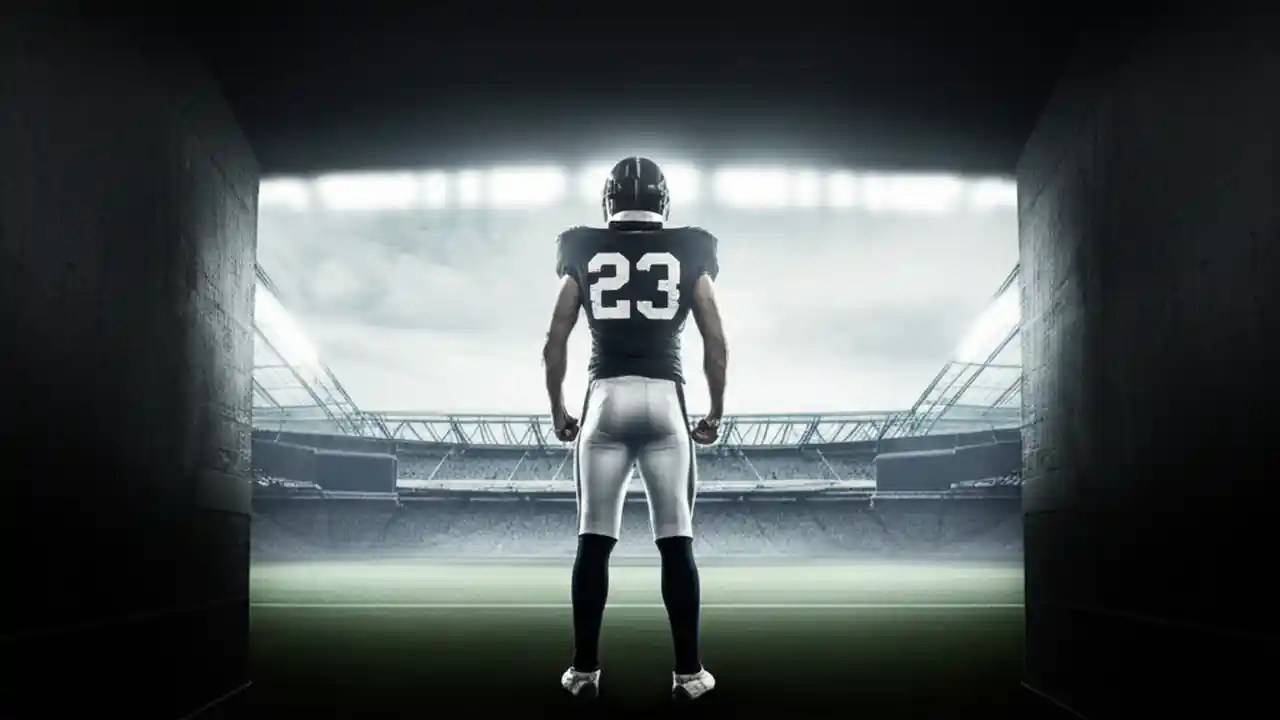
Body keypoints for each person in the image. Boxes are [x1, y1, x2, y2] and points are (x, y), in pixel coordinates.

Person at [541, 156, 727, 703]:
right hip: (666, 400)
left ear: (608, 200)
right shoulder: (692, 247)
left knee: (593, 541)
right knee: (677, 542)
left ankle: (583, 674)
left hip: (604, 399)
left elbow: (555, 341)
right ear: (664, 202)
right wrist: (715, 411)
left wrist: (557, 411)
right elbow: (715, 341)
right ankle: (689, 675)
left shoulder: (580, 246)